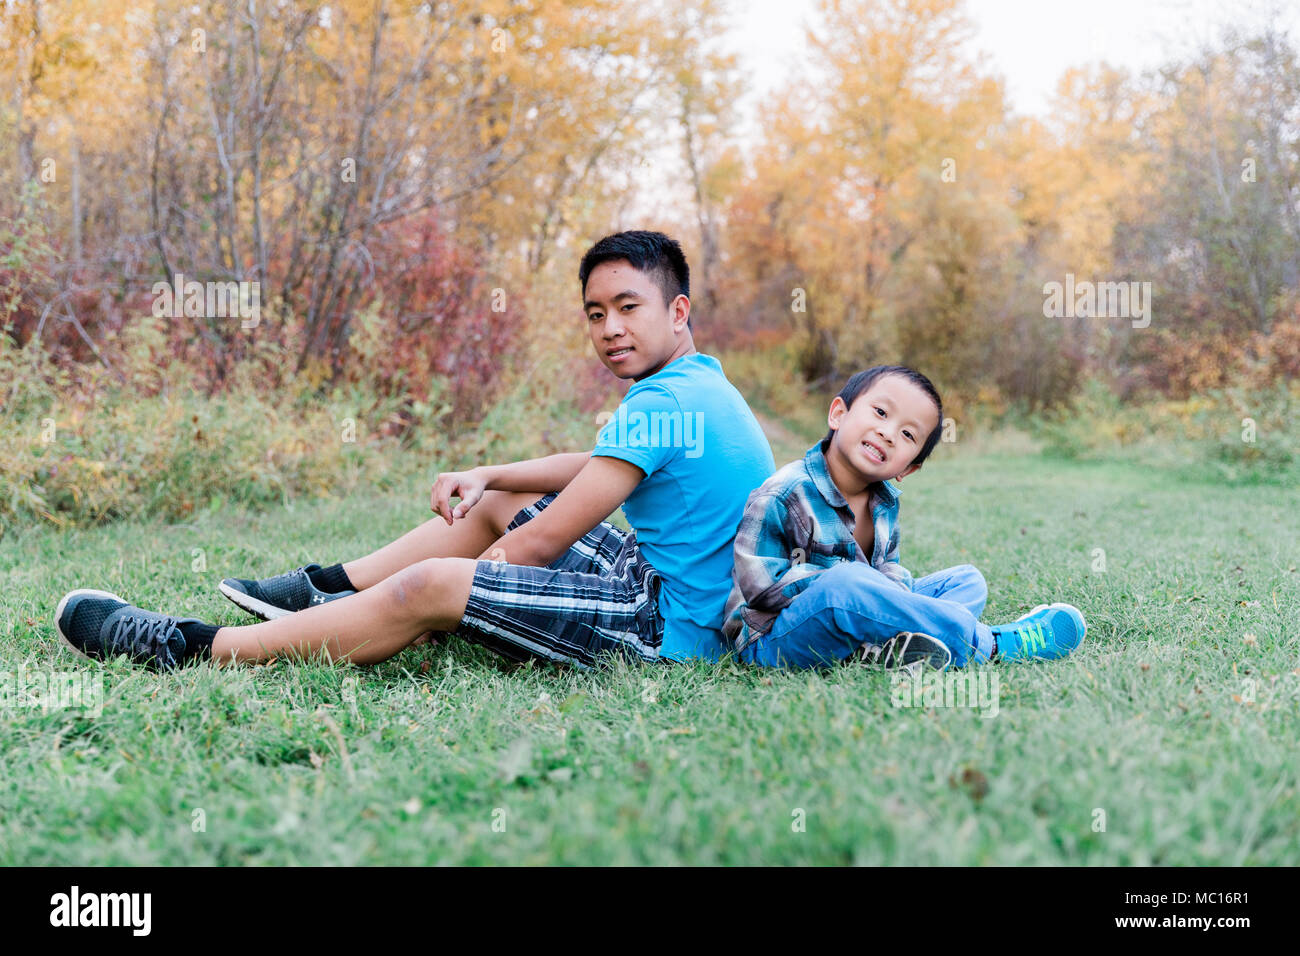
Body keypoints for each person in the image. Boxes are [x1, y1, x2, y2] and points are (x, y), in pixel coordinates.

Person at [55, 231, 777, 671]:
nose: (610, 328)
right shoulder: (690, 382)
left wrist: (458, 599)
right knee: (501, 501)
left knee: (432, 584)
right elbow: (594, 471)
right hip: (671, 587)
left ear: (677, 311)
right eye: (596, 313)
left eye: (629, 307)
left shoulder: (666, 398)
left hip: (671, 629)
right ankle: (330, 591)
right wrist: (490, 473)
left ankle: (190, 647)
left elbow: (539, 544)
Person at [722, 365, 1087, 670]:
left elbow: (888, 571)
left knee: (967, 581)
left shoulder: (883, 502)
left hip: (851, 614)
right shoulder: (786, 491)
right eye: (880, 413)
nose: (888, 433)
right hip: (771, 639)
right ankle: (990, 643)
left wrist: (883, 592)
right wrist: (858, 587)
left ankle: (894, 647)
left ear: (908, 468)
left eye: (908, 434)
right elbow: (761, 583)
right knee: (845, 586)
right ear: (838, 414)